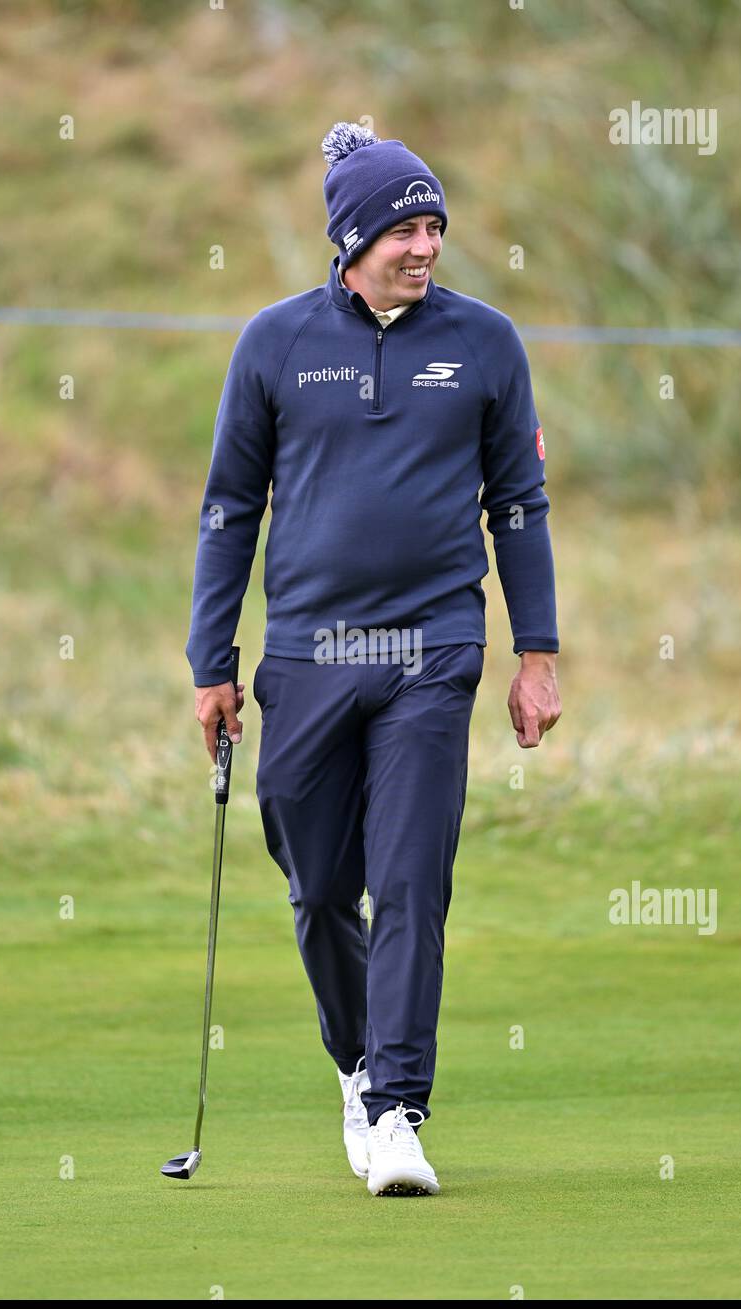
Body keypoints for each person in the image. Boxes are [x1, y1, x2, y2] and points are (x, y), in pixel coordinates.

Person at [185, 121, 561, 1196]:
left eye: (436, 223)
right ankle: (355, 1065)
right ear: (353, 235)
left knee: (408, 878)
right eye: (406, 224)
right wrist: (211, 661)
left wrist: (534, 654)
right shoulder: (274, 342)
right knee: (316, 889)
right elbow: (228, 510)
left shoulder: (485, 343)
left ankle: (396, 1107)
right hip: (308, 652)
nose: (426, 243)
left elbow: (520, 508)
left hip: (433, 648)